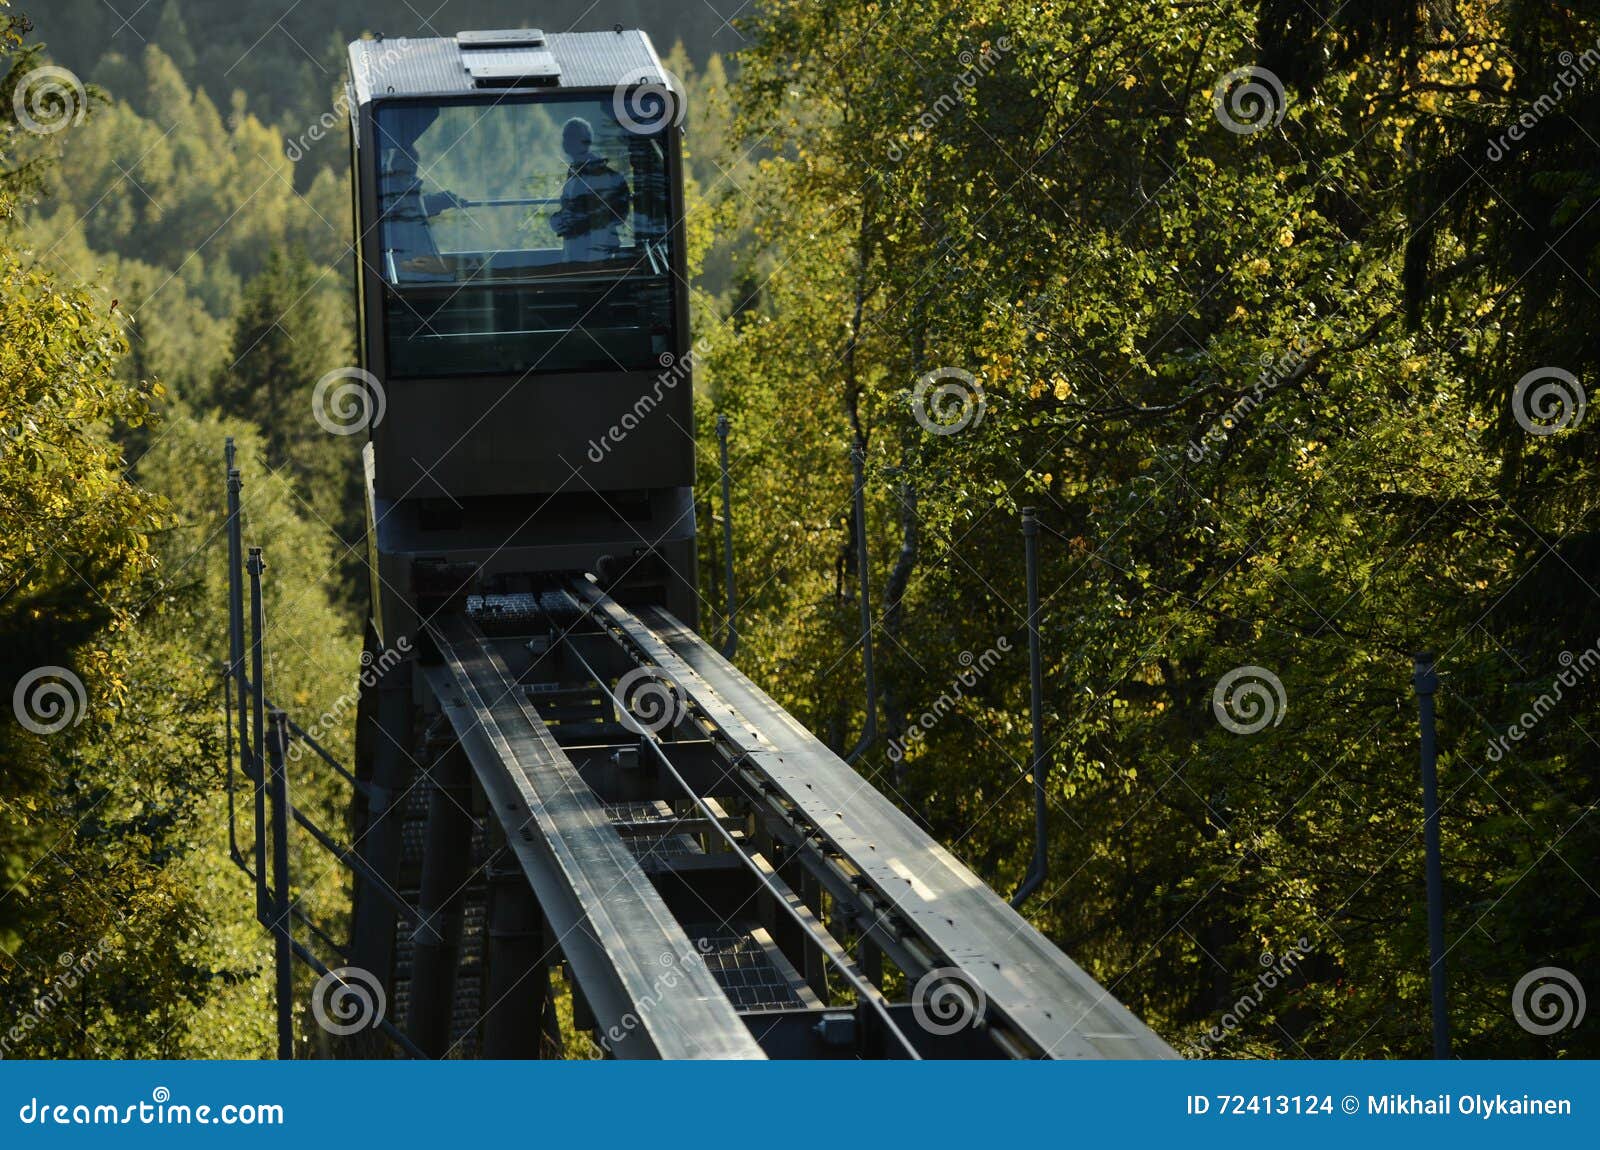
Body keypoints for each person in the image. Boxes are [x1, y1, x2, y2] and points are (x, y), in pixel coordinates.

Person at [378, 148, 466, 282]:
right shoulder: (386, 190)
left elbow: (415, 210)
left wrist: (443, 200)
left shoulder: (410, 188)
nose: (411, 166)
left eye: (413, 162)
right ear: (394, 164)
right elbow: (405, 212)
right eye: (405, 161)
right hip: (410, 273)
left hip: (424, 269)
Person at [549, 117, 630, 262]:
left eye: (568, 137)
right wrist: (559, 219)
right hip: (579, 250)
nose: (564, 142)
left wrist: (570, 221)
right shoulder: (576, 171)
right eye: (564, 137)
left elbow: (604, 218)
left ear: (581, 141)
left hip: (591, 256)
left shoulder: (598, 174)